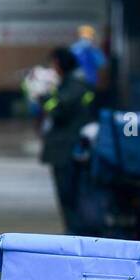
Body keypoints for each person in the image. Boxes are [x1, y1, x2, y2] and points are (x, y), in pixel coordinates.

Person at [39, 47, 96, 232]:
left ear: (59, 63)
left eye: (53, 63)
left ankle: (75, 231)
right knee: (68, 195)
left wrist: (42, 96)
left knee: (69, 194)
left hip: (67, 150)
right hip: (66, 149)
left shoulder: (74, 85)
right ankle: (73, 230)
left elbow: (58, 110)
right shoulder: (71, 83)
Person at [70, 24, 108, 92]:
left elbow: (102, 64)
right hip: (84, 81)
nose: (85, 41)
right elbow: (102, 64)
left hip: (82, 81)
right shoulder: (75, 49)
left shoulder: (74, 48)